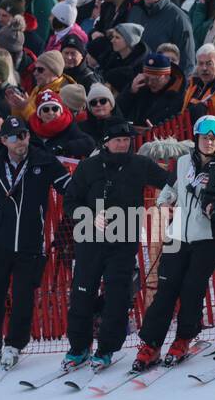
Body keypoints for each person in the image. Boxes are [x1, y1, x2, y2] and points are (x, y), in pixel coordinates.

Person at [61, 117, 171, 370]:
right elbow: (70, 201)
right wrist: (89, 215)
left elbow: (170, 181)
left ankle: (106, 349)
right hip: (90, 240)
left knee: (117, 296)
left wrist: (169, 196)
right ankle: (78, 347)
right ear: (106, 142)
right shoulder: (88, 167)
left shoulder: (140, 164)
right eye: (117, 140)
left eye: (126, 140)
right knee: (82, 294)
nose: (122, 144)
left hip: (123, 240)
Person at [0, 115, 72, 369]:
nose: (20, 141)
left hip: (30, 243)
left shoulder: (44, 160)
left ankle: (14, 345)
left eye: (23, 135)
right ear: (4, 140)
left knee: (24, 297)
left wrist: (92, 177)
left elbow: (70, 188)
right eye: (13, 137)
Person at [133, 114, 215, 371]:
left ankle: (183, 338)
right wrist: (164, 203)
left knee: (192, 290)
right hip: (178, 235)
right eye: (204, 138)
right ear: (196, 138)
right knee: (166, 290)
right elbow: (171, 188)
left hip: (207, 239)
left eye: (213, 139)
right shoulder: (182, 163)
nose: (209, 142)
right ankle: (151, 343)